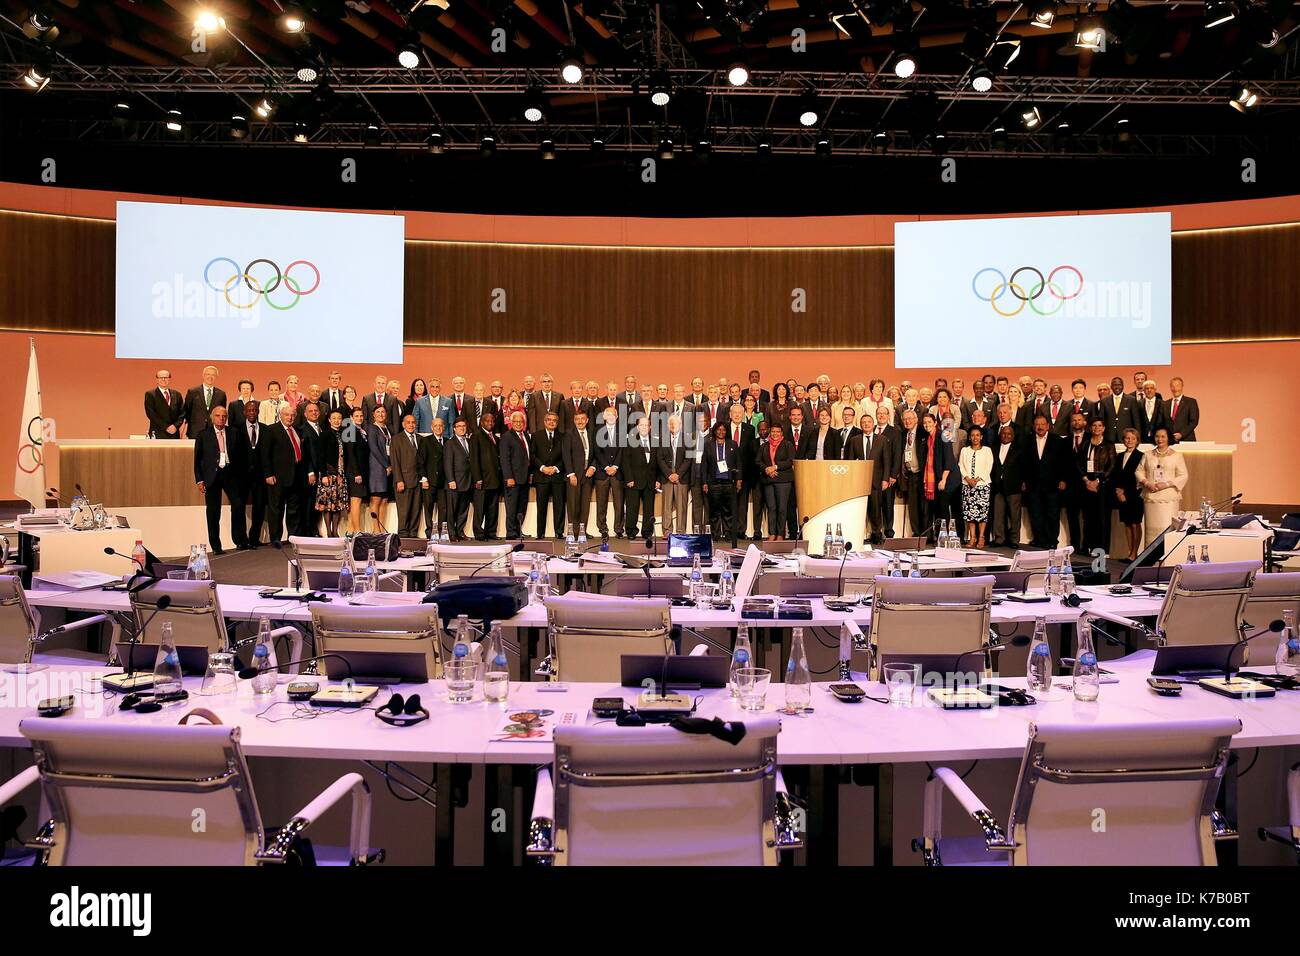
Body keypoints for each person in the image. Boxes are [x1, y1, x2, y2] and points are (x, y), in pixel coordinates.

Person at [192, 404, 246, 555]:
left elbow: (241, 458)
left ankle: (240, 541)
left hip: (231, 474)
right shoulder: (203, 435)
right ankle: (216, 546)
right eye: (218, 416)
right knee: (213, 511)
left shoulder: (234, 433)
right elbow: (198, 460)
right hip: (212, 476)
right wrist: (199, 480)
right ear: (212, 417)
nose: (221, 419)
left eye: (224, 416)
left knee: (238, 505)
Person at [1023, 413, 1071, 549]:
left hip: (1052, 484)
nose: (1040, 427)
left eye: (1043, 424)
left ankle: (1051, 541)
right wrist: (1025, 481)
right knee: (1036, 514)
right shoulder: (1027, 440)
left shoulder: (1058, 441)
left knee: (1052, 514)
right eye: (1037, 424)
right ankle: (1039, 539)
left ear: (1048, 426)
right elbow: (1024, 463)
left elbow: (1064, 462)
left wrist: (1063, 479)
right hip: (1033, 484)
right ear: (1033, 426)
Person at [262, 403, 306, 549]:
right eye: (287, 415)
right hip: (278, 477)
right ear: (281, 415)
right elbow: (265, 454)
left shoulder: (297, 430)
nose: (290, 417)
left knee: (294, 509)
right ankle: (275, 538)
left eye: (292, 415)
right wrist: (268, 473)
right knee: (276, 508)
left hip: (296, 476)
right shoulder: (272, 430)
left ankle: (293, 537)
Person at [1138, 426, 1188, 550]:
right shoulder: (1147, 455)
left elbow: (1183, 475)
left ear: (1168, 438)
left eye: (1162, 436)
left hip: (1168, 498)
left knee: (1166, 528)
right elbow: (1138, 471)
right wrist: (1147, 483)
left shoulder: (1177, 456)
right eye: (1157, 436)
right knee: (1151, 531)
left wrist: (1165, 484)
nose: (1159, 439)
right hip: (1151, 496)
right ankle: (1150, 561)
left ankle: (1166, 559)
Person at [1078, 416, 1116, 555]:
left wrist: (1098, 481)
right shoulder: (1086, 443)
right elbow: (1079, 463)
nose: (1097, 428)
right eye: (1094, 425)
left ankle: (1102, 550)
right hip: (1087, 482)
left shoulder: (1109, 445)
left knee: (1102, 518)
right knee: (1088, 517)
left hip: (1102, 484)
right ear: (1090, 428)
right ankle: (1088, 547)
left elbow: (1111, 466)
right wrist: (1087, 481)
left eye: (1100, 426)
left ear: (1104, 428)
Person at [701, 421, 741, 546]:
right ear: (715, 431)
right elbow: (704, 465)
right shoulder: (708, 445)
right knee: (714, 511)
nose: (721, 432)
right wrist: (704, 482)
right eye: (719, 430)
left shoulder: (733, 444)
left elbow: (738, 463)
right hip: (714, 482)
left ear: (726, 431)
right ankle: (715, 534)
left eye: (723, 430)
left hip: (729, 482)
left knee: (728, 510)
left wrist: (739, 479)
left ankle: (728, 534)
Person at [1110, 427, 1145, 561]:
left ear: (1137, 441)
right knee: (1127, 524)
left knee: (1135, 523)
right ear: (1123, 440)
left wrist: (1125, 492)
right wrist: (1118, 491)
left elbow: (1137, 478)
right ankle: (1130, 553)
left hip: (1135, 495)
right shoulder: (1120, 456)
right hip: (1121, 495)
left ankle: (1135, 554)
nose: (1129, 440)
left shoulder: (1141, 456)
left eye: (1133, 438)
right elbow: (1115, 476)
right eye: (1127, 438)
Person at [919, 413, 957, 540]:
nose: (927, 425)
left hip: (948, 478)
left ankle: (945, 537)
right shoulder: (928, 438)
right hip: (936, 478)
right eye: (925, 422)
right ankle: (939, 536)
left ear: (935, 423)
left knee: (943, 509)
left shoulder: (943, 435)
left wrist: (943, 479)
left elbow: (949, 459)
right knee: (937, 508)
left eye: (929, 422)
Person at [562, 409, 598, 534]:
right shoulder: (569, 434)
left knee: (584, 506)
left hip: (588, 475)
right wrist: (571, 474)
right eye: (577, 419)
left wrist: (592, 467)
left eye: (583, 419)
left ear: (587, 420)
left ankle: (582, 532)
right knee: (573, 506)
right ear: (574, 420)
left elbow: (596, 454)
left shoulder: (592, 433)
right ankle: (573, 532)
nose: (580, 422)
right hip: (574, 476)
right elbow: (566, 455)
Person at [623, 416, 659, 540]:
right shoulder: (630, 441)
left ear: (650, 427)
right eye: (641, 425)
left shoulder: (655, 441)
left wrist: (658, 479)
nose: (644, 427)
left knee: (649, 508)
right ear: (637, 427)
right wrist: (629, 479)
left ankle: (647, 532)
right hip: (634, 480)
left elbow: (658, 462)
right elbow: (625, 462)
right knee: (632, 507)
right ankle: (631, 531)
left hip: (650, 481)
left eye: (646, 425)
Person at [315, 409, 350, 537]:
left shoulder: (343, 434)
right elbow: (320, 456)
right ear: (329, 420)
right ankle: (329, 532)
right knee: (327, 505)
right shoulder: (325, 434)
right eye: (334, 418)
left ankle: (335, 531)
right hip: (328, 474)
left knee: (337, 505)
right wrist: (323, 474)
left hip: (340, 474)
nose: (337, 421)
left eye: (339, 418)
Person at [532, 411, 566, 538]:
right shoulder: (536, 436)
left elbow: (566, 456)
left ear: (557, 423)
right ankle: (540, 533)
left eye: (554, 420)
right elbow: (533, 455)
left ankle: (559, 532)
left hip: (558, 476)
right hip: (542, 476)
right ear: (545, 422)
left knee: (559, 506)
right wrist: (542, 468)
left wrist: (556, 468)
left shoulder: (563, 436)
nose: (552, 422)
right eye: (549, 420)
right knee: (541, 507)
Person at [989, 423, 1024, 548]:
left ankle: (1014, 540)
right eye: (1004, 433)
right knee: (998, 513)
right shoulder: (994, 447)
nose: (1006, 436)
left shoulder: (1019, 449)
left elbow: (1024, 468)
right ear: (1000, 434)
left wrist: (1023, 482)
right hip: (998, 486)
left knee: (1014, 515)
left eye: (1009, 434)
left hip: (1014, 486)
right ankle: (999, 539)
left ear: (1013, 436)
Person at [469, 410, 502, 540]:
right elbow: (474, 459)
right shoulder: (476, 436)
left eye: (492, 421)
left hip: (494, 479)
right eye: (487, 421)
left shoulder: (496, 438)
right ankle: (479, 533)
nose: (490, 423)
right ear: (482, 422)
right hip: (482, 480)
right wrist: (477, 478)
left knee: (492, 509)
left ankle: (491, 532)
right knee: (480, 509)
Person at [759, 423, 795, 541]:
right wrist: (767, 469)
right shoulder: (764, 446)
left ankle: (780, 534)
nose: (775, 434)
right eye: (773, 431)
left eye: (777, 432)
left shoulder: (787, 444)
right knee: (771, 507)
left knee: (782, 508)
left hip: (783, 480)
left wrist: (775, 467)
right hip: (768, 480)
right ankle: (772, 533)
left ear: (781, 433)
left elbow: (790, 461)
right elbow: (758, 461)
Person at [500, 410, 532, 540]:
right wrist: (509, 477)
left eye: (521, 421)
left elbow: (528, 456)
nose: (519, 424)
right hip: (513, 478)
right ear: (511, 422)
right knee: (512, 507)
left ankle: (518, 530)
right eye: (516, 421)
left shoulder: (526, 435)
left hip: (524, 478)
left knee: (521, 506)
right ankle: (511, 532)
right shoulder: (507, 437)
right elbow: (504, 459)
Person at [592, 406, 624, 538]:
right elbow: (597, 451)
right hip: (602, 472)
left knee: (619, 503)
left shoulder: (622, 431)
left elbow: (623, 450)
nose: (611, 417)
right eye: (608, 415)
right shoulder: (597, 431)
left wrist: (615, 466)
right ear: (604, 417)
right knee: (601, 502)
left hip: (617, 473)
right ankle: (603, 529)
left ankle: (619, 529)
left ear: (616, 417)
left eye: (613, 415)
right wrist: (606, 467)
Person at [959, 425, 993, 549]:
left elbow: (988, 466)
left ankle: (981, 537)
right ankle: (972, 537)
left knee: (982, 513)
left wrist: (977, 479)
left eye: (977, 435)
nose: (975, 438)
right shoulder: (965, 450)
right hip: (967, 486)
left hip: (982, 485)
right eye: (972, 435)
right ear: (969, 437)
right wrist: (968, 479)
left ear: (981, 437)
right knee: (969, 513)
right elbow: (961, 465)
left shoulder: (987, 450)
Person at [657, 415, 691, 535]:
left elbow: (689, 459)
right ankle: (667, 531)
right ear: (668, 426)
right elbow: (659, 459)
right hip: (667, 478)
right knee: (666, 506)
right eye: (670, 424)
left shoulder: (687, 438)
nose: (673, 426)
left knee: (681, 507)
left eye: (675, 424)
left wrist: (678, 474)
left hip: (681, 478)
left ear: (680, 425)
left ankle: (681, 531)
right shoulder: (663, 439)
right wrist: (669, 474)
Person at [239, 401, 267, 548]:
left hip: (260, 476)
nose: (252, 412)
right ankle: (241, 540)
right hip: (242, 476)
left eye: (254, 410)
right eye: (249, 410)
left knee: (259, 507)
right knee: (239, 507)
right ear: (244, 412)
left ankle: (254, 538)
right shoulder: (236, 429)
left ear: (258, 412)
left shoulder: (265, 429)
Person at [391, 413, 424, 538]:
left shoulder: (421, 439)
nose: (411, 425)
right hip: (403, 480)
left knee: (416, 510)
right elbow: (395, 461)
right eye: (408, 422)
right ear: (403, 424)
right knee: (404, 511)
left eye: (413, 422)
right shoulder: (397, 439)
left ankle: (413, 534)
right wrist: (399, 480)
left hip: (418, 481)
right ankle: (403, 535)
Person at [296, 401, 326, 535]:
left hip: (321, 471)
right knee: (308, 503)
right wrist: (310, 472)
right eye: (311, 411)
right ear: (305, 414)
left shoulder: (322, 428)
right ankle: (307, 532)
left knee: (317, 502)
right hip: (310, 472)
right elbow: (304, 453)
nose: (314, 413)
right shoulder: (302, 430)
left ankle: (314, 530)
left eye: (316, 411)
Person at [443, 418, 473, 540]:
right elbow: (448, 463)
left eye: (464, 426)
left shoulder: (469, 442)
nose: (462, 428)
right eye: (459, 426)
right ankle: (452, 533)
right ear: (454, 428)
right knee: (452, 510)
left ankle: (460, 532)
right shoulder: (450, 443)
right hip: (454, 482)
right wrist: (451, 480)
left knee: (463, 510)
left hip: (467, 481)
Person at [418, 418, 447, 538]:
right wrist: (424, 478)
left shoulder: (447, 441)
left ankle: (441, 531)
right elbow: (420, 461)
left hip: (443, 480)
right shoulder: (426, 441)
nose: (438, 428)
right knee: (428, 507)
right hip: (429, 480)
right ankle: (430, 532)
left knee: (443, 508)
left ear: (444, 427)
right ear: (431, 427)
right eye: (436, 426)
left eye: (440, 425)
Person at [367, 406, 394, 534]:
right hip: (377, 467)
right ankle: (375, 529)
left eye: (383, 411)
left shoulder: (388, 429)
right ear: (373, 414)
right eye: (378, 412)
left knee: (384, 499)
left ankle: (381, 528)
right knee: (376, 499)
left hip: (388, 467)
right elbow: (374, 448)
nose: (381, 414)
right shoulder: (372, 428)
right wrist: (385, 465)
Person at [343, 407, 369, 535]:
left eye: (361, 415)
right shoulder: (350, 430)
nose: (359, 418)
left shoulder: (360, 430)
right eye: (356, 416)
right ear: (351, 417)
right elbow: (350, 453)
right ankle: (357, 529)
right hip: (354, 471)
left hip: (360, 470)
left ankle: (351, 529)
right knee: (355, 500)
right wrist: (357, 473)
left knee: (357, 500)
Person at [182, 365, 227, 439]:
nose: (210, 377)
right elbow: (187, 411)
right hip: (195, 431)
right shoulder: (192, 392)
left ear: (216, 377)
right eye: (208, 374)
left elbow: (222, 412)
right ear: (203, 376)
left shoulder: (221, 394)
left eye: (213, 375)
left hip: (213, 430)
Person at [145, 369, 184, 439]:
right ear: (157, 380)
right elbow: (151, 414)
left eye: (166, 377)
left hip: (174, 433)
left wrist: (175, 426)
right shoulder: (150, 394)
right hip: (158, 432)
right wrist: (166, 427)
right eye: (160, 378)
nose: (163, 379)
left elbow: (182, 413)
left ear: (169, 379)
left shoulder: (177, 394)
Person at [1163, 376, 1199, 443]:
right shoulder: (1165, 404)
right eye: (1172, 386)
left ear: (1182, 386)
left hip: (1187, 439)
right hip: (1170, 441)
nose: (1175, 389)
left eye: (1177, 386)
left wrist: (1182, 434)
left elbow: (1194, 421)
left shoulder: (1191, 402)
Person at [1136, 380, 1164, 445]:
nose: (1149, 390)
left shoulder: (1163, 404)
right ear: (1143, 390)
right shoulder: (1138, 404)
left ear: (1155, 390)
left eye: (1151, 388)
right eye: (1147, 388)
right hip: (1142, 439)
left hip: (1159, 438)